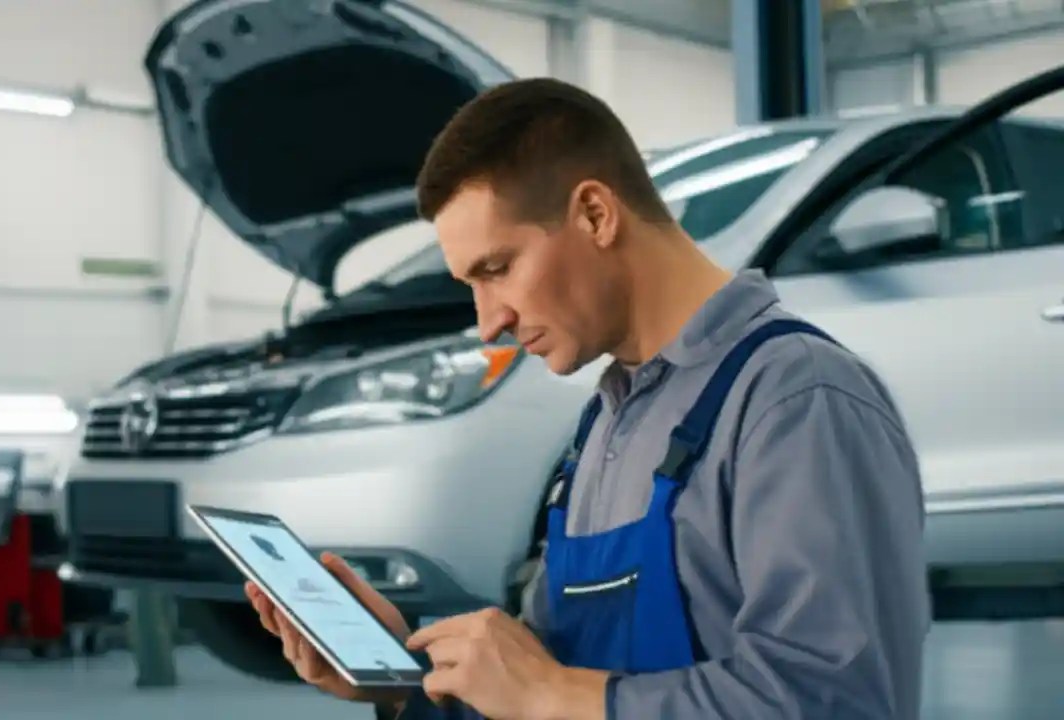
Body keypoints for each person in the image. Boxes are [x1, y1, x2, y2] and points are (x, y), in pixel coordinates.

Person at [246, 77, 929, 719]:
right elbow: (558, 678)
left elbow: (833, 699)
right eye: (471, 284)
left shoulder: (796, 398)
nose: (490, 322)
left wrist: (552, 694)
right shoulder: (603, 424)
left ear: (596, 214)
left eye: (497, 268)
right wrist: (406, 683)